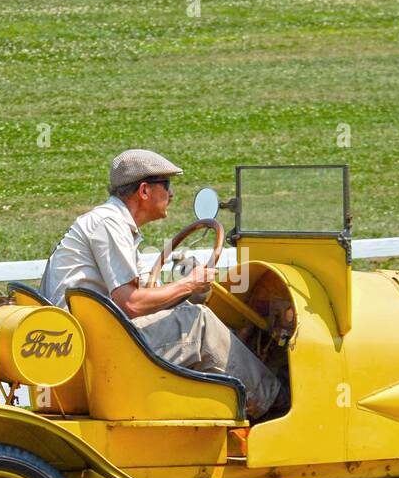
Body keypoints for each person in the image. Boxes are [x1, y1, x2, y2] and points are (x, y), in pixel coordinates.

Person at [41, 149, 282, 419]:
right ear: (144, 191)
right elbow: (131, 303)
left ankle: (222, 407)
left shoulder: (112, 224)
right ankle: (274, 405)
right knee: (197, 323)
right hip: (93, 346)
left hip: (84, 338)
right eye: (166, 185)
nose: (172, 194)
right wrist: (188, 285)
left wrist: (188, 288)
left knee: (188, 314)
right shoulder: (109, 223)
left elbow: (144, 292)